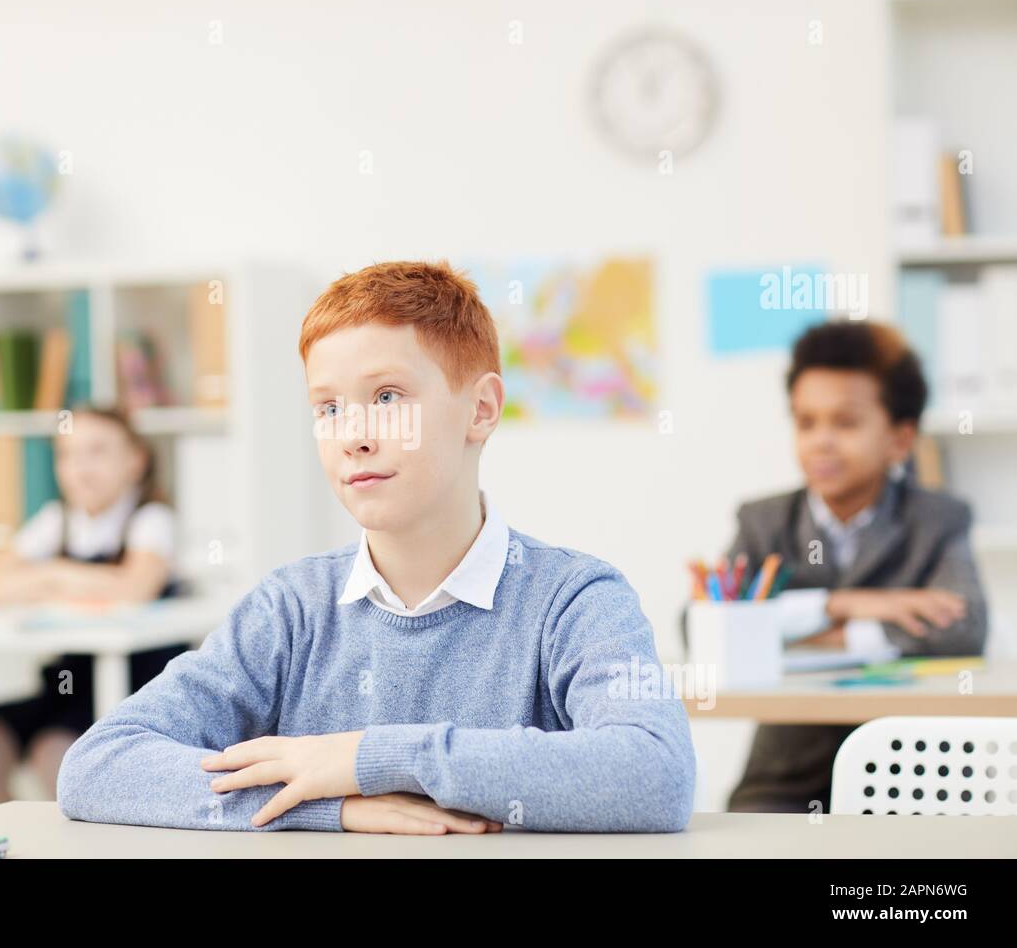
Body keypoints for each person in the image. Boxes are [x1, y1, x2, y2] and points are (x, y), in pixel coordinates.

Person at [56, 261, 696, 833]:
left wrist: (367, 759)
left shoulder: (572, 598)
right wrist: (328, 805)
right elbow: (98, 764)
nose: (352, 436)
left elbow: (655, 771)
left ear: (480, 410)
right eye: (328, 407)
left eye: (387, 397)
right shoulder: (292, 608)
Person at [722, 321, 987, 813]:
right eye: (806, 422)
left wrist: (811, 633)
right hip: (785, 780)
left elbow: (965, 629)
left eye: (845, 423)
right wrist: (842, 604)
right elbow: (708, 625)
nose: (821, 441)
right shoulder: (764, 522)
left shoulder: (938, 519)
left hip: (918, 776)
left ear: (899, 440)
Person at [0, 407, 187, 806]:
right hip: (69, 681)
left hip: (136, 686)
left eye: (97, 452)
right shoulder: (57, 521)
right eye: (68, 455)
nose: (81, 468)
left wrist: (49, 576)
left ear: (136, 461)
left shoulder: (151, 519)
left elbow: (134, 588)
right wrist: (62, 577)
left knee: (56, 752)